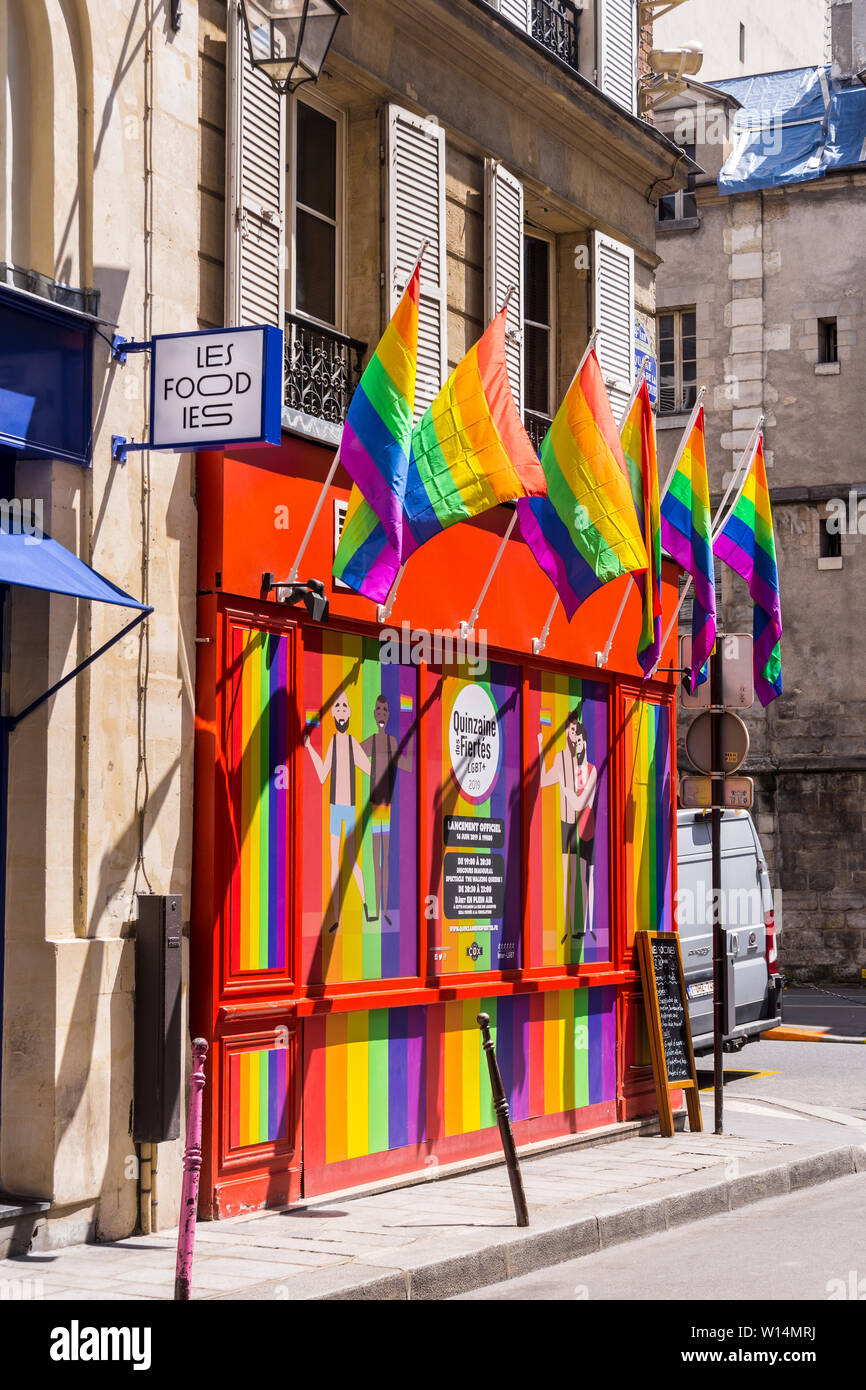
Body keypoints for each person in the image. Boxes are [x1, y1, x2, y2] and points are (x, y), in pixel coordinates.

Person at [304, 689, 374, 933]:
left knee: (351, 860)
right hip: (336, 809)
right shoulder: (333, 742)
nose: (342, 710)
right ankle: (336, 917)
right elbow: (323, 774)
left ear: (350, 711)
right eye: (338, 706)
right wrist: (310, 748)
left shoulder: (352, 742)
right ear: (333, 713)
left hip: (349, 809)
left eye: (345, 705)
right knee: (335, 861)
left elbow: (369, 768)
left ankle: (366, 907)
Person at [538, 709, 597, 941]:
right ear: (566, 732)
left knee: (581, 876)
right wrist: (540, 746)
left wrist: (567, 791)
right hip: (566, 823)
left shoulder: (583, 765)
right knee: (568, 876)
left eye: (577, 731)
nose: (574, 735)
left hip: (582, 825)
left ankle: (580, 928)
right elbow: (544, 780)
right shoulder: (561, 760)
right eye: (571, 730)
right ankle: (567, 928)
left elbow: (582, 799)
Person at [360, 693, 413, 924]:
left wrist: (410, 731)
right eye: (378, 710)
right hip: (375, 807)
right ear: (374, 714)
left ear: (388, 715)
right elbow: (355, 753)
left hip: (387, 807)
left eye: (385, 710)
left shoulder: (391, 742)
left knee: (386, 858)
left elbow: (408, 764)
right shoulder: (372, 741)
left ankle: (384, 912)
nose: (381, 714)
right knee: (375, 859)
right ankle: (377, 910)